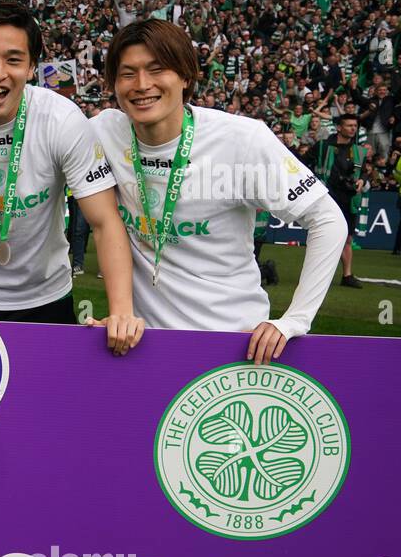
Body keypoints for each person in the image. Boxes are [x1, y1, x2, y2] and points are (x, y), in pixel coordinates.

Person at [91, 19, 347, 365]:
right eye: (127, 73)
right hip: (146, 345)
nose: (142, 85)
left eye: (157, 69)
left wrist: (295, 319)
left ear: (185, 76)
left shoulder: (241, 140)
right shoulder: (104, 132)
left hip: (234, 344)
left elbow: (328, 219)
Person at [0, 1, 141, 353]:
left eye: (13, 60)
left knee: (49, 405)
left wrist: (120, 312)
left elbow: (103, 220)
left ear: (31, 67)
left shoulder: (61, 120)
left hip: (48, 297)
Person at [315, 114, 367, 287]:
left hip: (349, 199)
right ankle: (317, 275)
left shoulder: (359, 151)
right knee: (323, 237)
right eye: (349, 125)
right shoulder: (323, 146)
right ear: (339, 127)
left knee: (348, 239)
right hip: (327, 198)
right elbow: (304, 163)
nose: (353, 128)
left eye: (355, 125)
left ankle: (347, 276)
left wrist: (362, 181)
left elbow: (365, 172)